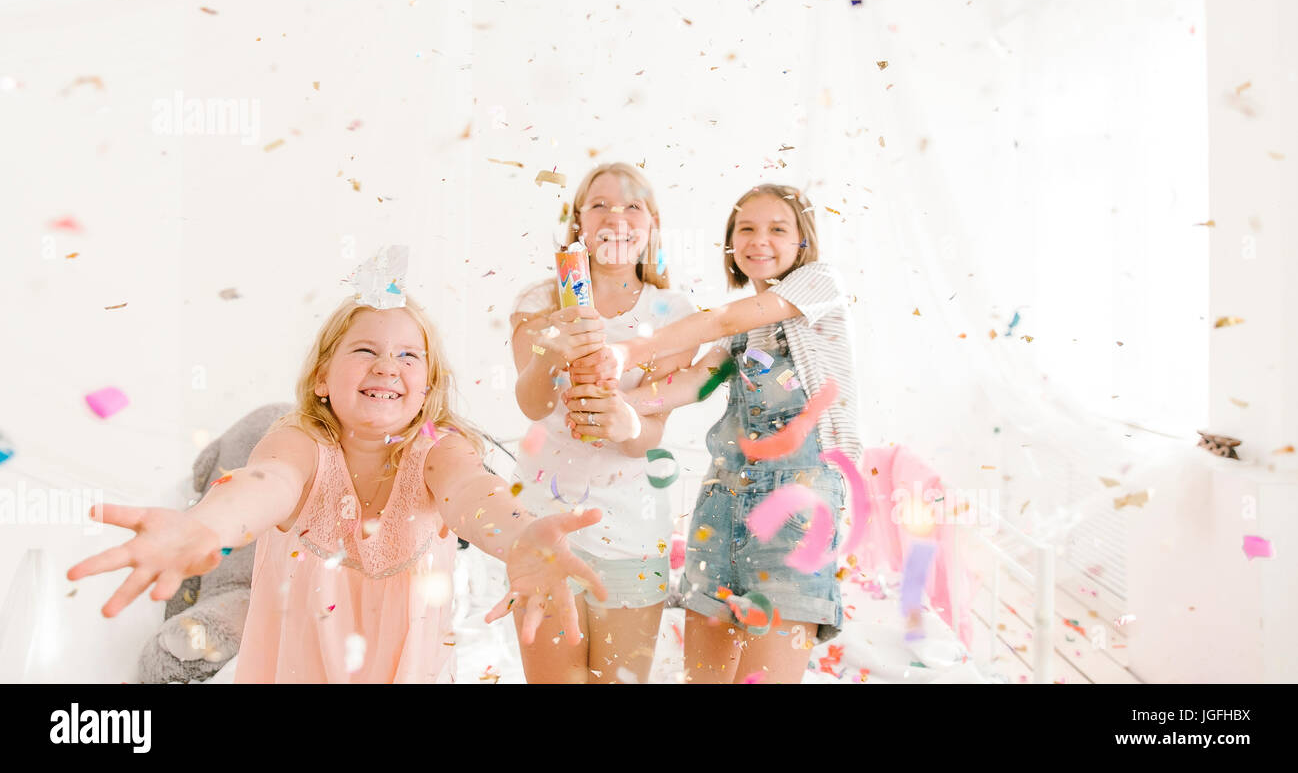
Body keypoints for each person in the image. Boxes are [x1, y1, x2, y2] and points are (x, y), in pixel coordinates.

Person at [68, 294, 605, 683]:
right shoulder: (300, 441)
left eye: (408, 356)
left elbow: (472, 492)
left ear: (426, 388)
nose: (387, 366)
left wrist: (521, 538)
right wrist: (205, 526)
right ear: (323, 377)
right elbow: (264, 484)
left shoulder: (439, 449)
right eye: (365, 350)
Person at [572, 183, 861, 683]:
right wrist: (611, 404)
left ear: (803, 241)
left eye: (777, 229)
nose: (759, 240)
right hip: (720, 507)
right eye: (745, 228)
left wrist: (627, 353)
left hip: (797, 503)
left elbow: (722, 318)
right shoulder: (740, 333)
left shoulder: (820, 284)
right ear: (731, 243)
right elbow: (692, 383)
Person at [510, 162, 695, 682]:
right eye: (600, 205)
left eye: (632, 206)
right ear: (578, 222)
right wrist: (551, 352)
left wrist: (626, 422)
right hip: (544, 524)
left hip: (633, 534)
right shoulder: (539, 302)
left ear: (652, 223)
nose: (616, 218)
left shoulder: (674, 313)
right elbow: (532, 404)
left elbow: (648, 438)